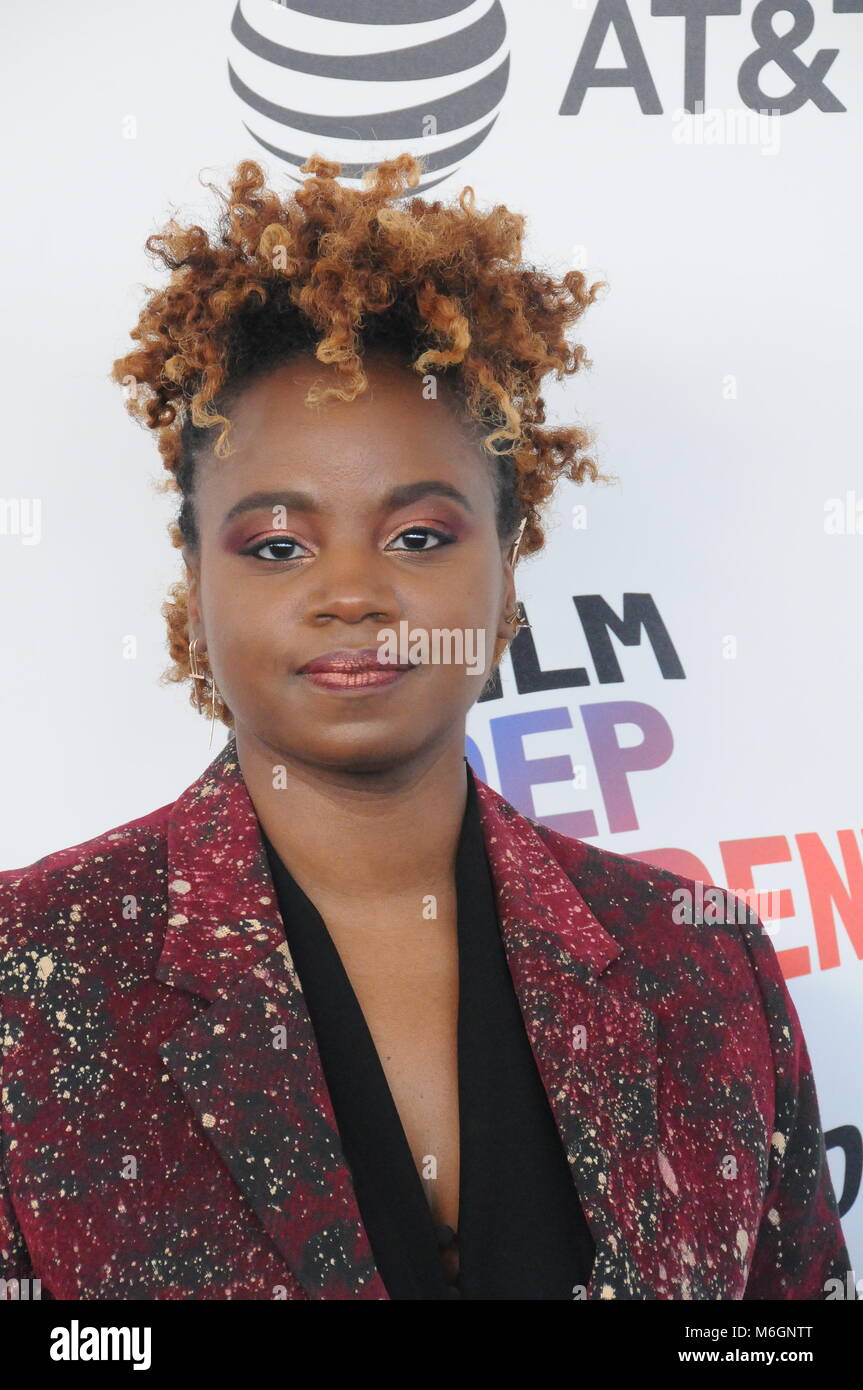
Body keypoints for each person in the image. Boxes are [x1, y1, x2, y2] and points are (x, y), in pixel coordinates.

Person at [0, 156, 852, 1301]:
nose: (351, 593)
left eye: (417, 537)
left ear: (507, 572)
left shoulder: (700, 967)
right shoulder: (32, 973)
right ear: (194, 583)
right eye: (276, 544)